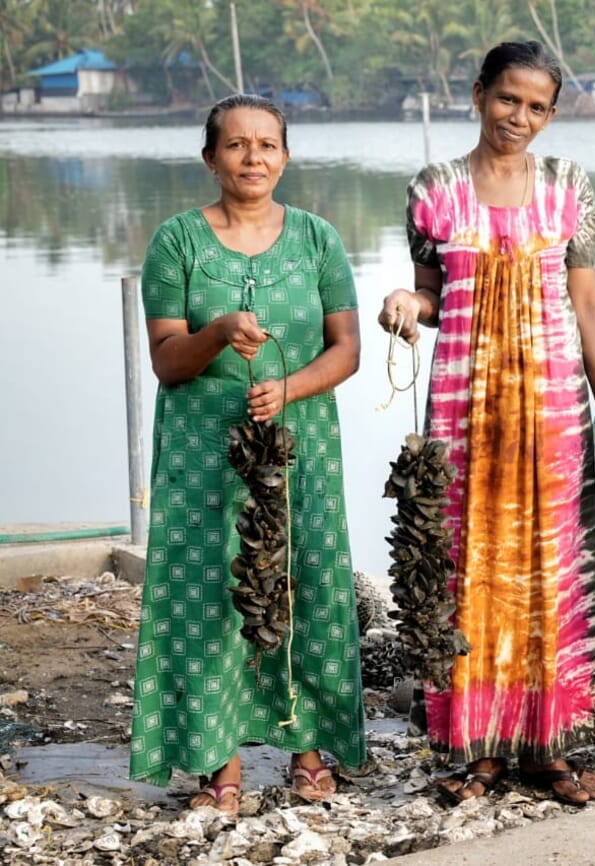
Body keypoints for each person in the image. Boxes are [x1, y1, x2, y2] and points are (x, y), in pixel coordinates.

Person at [377, 41, 595, 808]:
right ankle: (476, 749)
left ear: (551, 115)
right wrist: (403, 305)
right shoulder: (434, 189)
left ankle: (548, 747)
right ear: (479, 92)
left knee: (552, 572)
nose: (517, 117)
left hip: (554, 411)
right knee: (469, 569)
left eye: (535, 106)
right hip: (463, 408)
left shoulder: (569, 188)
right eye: (506, 99)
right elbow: (431, 293)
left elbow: (589, 306)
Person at [129, 94, 366, 814]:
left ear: (286, 157)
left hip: (302, 449)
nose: (253, 158)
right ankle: (218, 766)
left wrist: (288, 388)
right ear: (211, 159)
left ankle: (309, 751)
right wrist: (221, 330)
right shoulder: (177, 243)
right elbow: (168, 361)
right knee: (209, 599)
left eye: (267, 145)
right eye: (236, 146)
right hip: (204, 454)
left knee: (309, 586)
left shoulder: (319, 239)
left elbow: (348, 350)